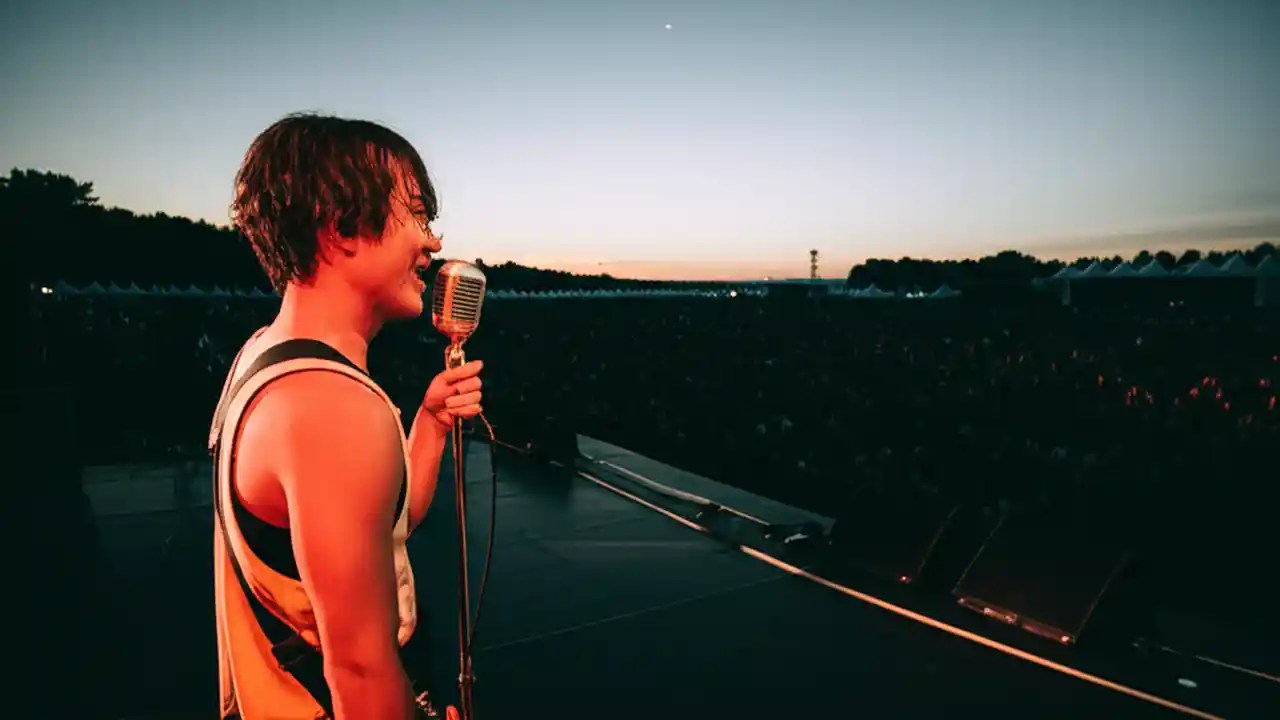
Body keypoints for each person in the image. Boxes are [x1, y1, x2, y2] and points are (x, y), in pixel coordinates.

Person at [208, 113, 482, 720]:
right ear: (342, 227)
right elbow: (359, 672)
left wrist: (430, 423)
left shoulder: (265, 357)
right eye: (416, 213)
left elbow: (383, 525)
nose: (433, 242)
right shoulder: (332, 408)